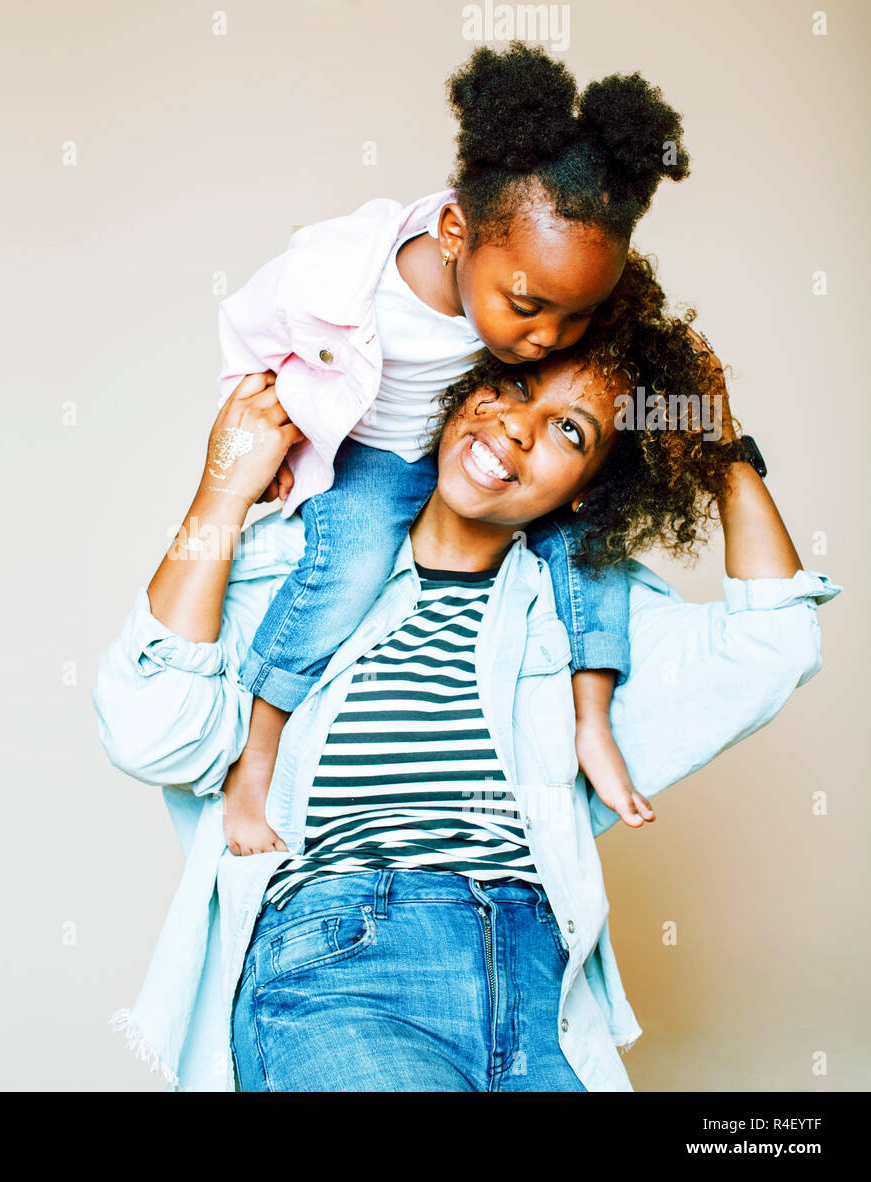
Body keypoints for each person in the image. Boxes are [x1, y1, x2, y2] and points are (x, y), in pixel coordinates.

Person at [93, 254, 840, 1091]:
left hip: (541, 987)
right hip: (346, 968)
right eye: (515, 385)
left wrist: (718, 439)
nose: (519, 426)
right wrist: (220, 493)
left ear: (588, 493)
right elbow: (149, 727)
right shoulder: (307, 572)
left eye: (570, 430)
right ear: (465, 389)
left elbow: (776, 646)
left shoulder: (585, 624)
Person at [216, 43, 693, 863]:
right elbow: (248, 322)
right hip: (369, 460)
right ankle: (257, 758)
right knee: (352, 563)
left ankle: (591, 723)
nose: (547, 337)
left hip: (457, 452)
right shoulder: (340, 279)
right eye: (529, 306)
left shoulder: (520, 321)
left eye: (577, 316)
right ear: (453, 233)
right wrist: (256, 425)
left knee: (590, 537)